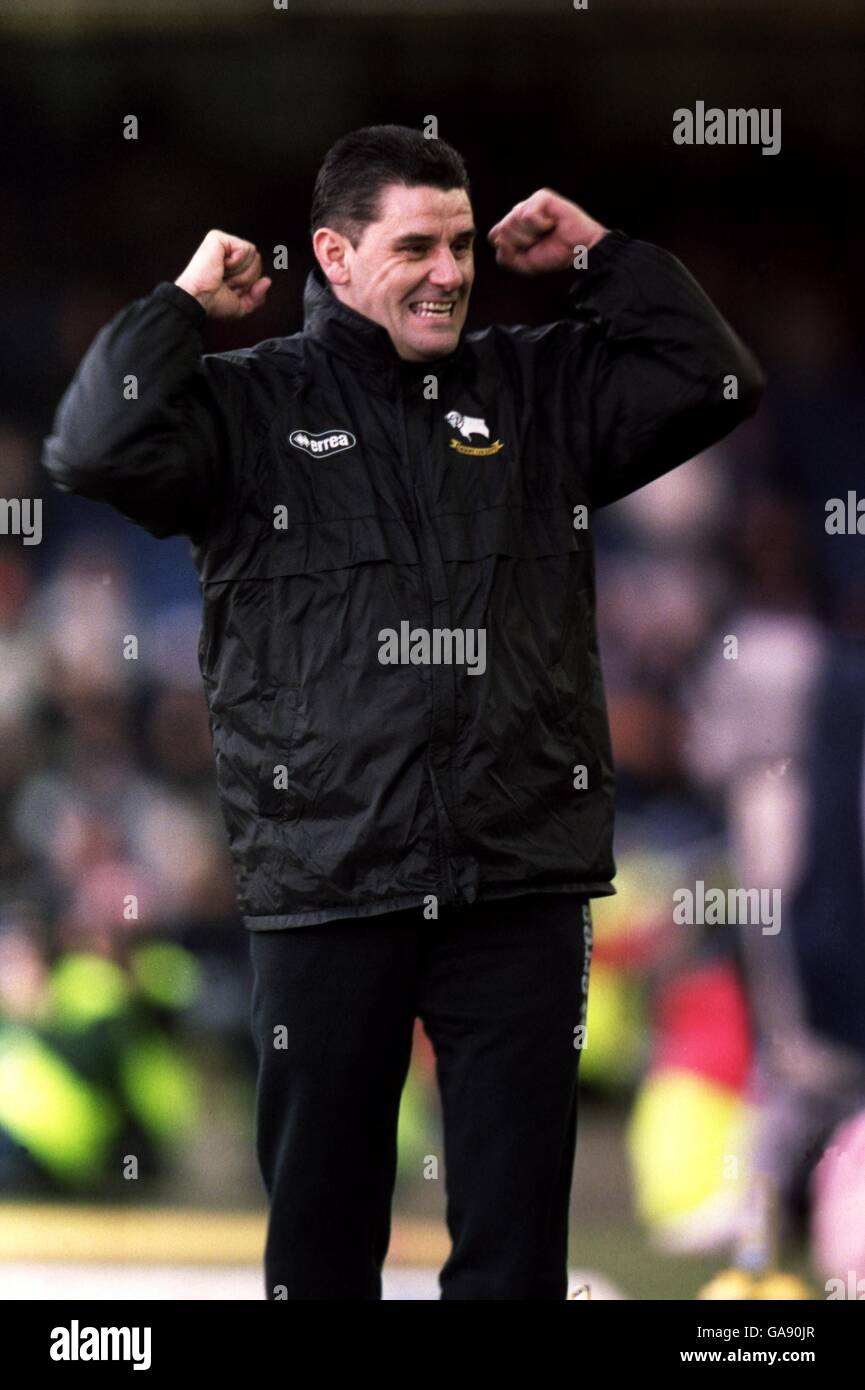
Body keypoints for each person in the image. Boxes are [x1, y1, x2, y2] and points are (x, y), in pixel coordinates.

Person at [42, 124, 765, 1299]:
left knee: (513, 1258)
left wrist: (602, 261)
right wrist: (181, 305)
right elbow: (90, 444)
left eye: (464, 244)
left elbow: (718, 380)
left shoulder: (538, 389)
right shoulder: (245, 406)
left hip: (520, 884)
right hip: (327, 885)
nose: (450, 270)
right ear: (332, 253)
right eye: (416, 245)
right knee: (322, 1254)